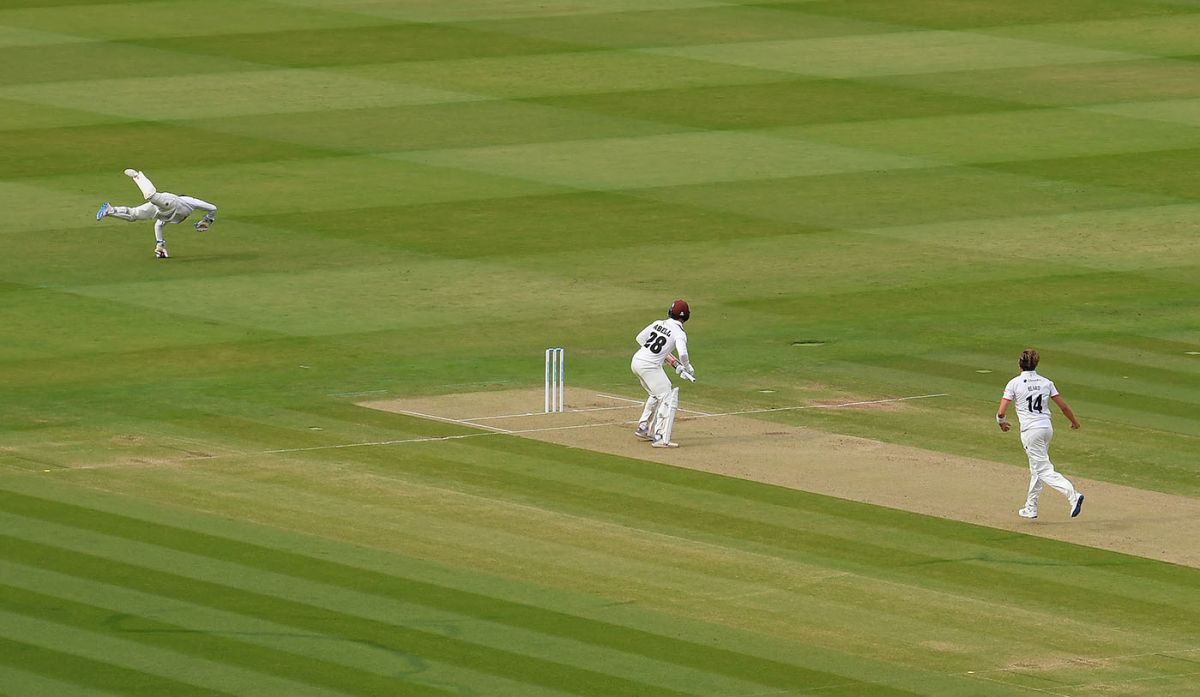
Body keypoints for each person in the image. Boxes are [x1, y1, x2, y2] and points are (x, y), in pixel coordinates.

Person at [996, 349, 1084, 519]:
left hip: (1031, 431)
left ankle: (1073, 495)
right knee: (1036, 468)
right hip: (1046, 428)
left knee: (1043, 469)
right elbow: (1063, 407)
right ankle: (1031, 507)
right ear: (1036, 364)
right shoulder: (1046, 382)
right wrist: (1074, 421)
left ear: (1020, 364)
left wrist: (1001, 423)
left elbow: (1001, 412)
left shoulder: (1014, 383)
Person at [96, 169, 217, 258]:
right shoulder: (188, 201)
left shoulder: (167, 218)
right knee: (151, 196)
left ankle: (110, 210)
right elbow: (212, 208)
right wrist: (208, 220)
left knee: (133, 215)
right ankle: (137, 176)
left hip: (160, 211)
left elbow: (158, 226)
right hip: (172, 203)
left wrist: (160, 245)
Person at [631, 299, 695, 448]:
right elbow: (683, 354)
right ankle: (660, 437)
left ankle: (644, 428)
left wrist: (672, 362)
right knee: (667, 396)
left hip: (636, 361)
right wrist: (687, 367)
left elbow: (640, 339)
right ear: (686, 316)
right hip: (649, 366)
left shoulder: (658, 323)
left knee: (656, 393)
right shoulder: (679, 333)